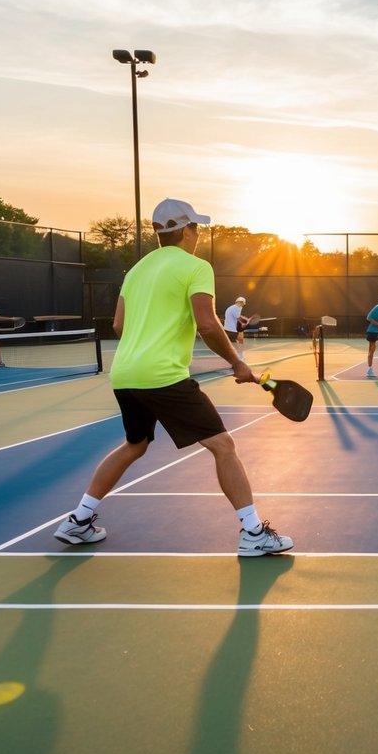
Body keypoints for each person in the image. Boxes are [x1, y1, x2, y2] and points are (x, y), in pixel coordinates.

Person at [53, 198, 293, 556]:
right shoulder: (197, 267)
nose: (197, 233)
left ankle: (79, 520)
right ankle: (253, 533)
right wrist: (236, 363)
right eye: (195, 227)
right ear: (184, 231)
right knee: (223, 446)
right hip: (162, 375)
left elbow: (119, 324)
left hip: (125, 373)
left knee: (135, 444)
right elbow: (207, 323)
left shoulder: (135, 271)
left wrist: (147, 343)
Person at [222, 295, 249, 360]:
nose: (241, 304)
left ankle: (232, 357)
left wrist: (245, 319)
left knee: (232, 343)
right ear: (238, 302)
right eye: (240, 302)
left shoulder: (231, 307)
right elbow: (238, 317)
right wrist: (243, 323)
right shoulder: (238, 307)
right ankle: (240, 357)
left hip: (227, 329)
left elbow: (238, 315)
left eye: (242, 303)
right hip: (231, 329)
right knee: (240, 340)